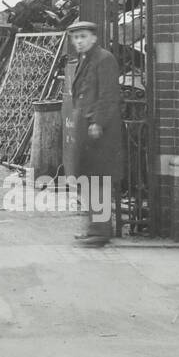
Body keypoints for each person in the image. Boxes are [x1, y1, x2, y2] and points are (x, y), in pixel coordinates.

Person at [65, 19, 124, 246]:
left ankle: (101, 232)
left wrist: (97, 122)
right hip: (87, 130)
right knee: (88, 179)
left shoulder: (104, 59)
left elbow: (109, 95)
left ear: (94, 38)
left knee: (98, 180)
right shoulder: (85, 59)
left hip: (100, 132)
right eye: (75, 37)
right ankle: (93, 228)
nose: (79, 41)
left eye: (83, 37)